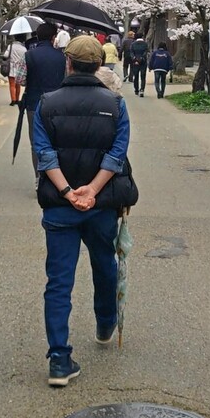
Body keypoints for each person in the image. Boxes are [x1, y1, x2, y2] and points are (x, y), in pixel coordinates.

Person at [33, 34, 135, 387]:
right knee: (104, 263)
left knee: (58, 281)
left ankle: (59, 359)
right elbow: (116, 154)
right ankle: (105, 322)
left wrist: (66, 191)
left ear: (69, 63)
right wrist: (92, 190)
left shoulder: (46, 103)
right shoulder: (116, 104)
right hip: (101, 206)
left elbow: (44, 154)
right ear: (99, 66)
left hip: (59, 207)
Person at [22, 23, 68, 141]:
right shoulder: (62, 57)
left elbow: (20, 80)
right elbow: (66, 79)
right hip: (57, 104)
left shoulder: (28, 55)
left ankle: (38, 160)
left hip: (33, 102)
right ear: (53, 37)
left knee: (36, 141)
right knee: (54, 140)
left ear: (37, 36)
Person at [5, 30, 29, 107]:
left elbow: (5, 55)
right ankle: (18, 100)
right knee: (18, 84)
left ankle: (13, 100)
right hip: (20, 67)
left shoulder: (10, 46)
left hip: (12, 66)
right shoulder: (24, 48)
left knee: (12, 84)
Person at [124, 31, 150, 97]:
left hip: (135, 62)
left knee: (136, 76)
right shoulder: (145, 44)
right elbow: (146, 52)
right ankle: (142, 90)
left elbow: (131, 52)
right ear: (142, 36)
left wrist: (134, 59)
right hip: (143, 62)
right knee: (143, 76)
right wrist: (141, 58)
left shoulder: (133, 44)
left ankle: (136, 90)